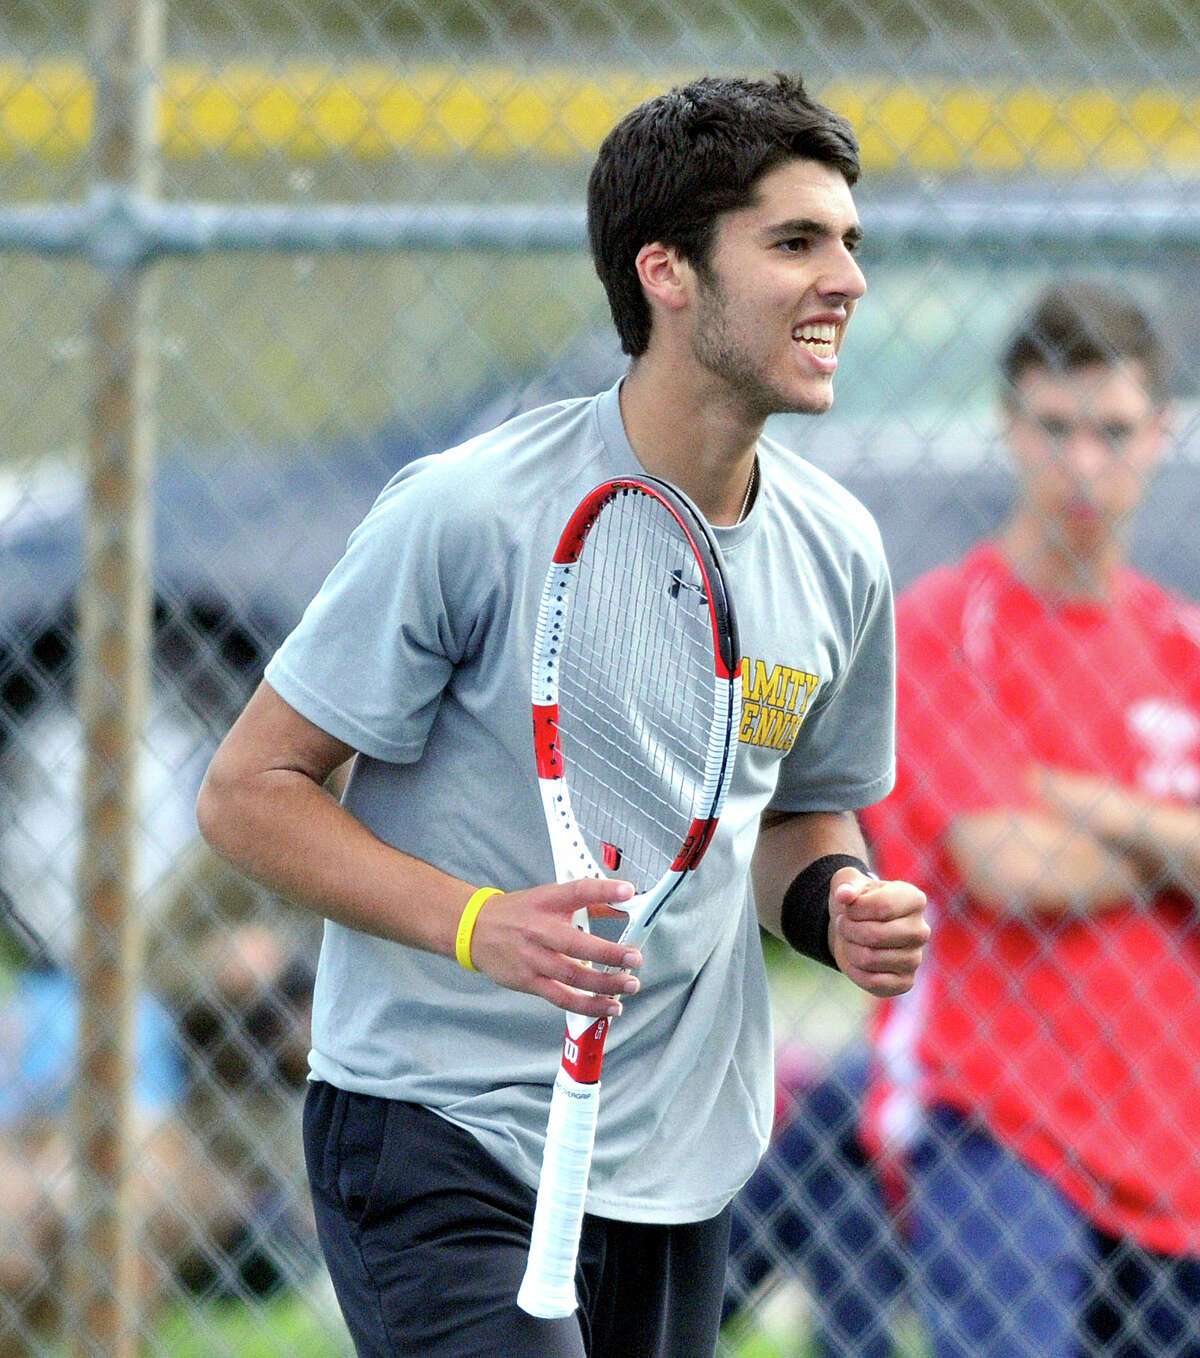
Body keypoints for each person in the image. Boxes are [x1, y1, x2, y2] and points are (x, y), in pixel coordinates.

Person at [195, 73, 929, 1358]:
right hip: (441, 1134)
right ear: (668, 272)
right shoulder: (469, 511)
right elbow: (249, 792)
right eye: (796, 241)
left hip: (672, 1153)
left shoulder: (841, 550)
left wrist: (836, 904)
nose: (847, 280)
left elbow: (794, 813)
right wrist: (481, 926)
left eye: (851, 243)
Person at [860, 280, 1200, 1357]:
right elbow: (1008, 865)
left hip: (1175, 1146)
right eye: (1055, 429)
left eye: (1112, 431)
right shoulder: (945, 625)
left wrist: (1087, 799)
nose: (1084, 465)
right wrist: (1175, 842)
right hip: (1002, 1130)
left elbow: (1051, 837)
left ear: (1162, 432)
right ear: (1009, 426)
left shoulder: (1181, 646)